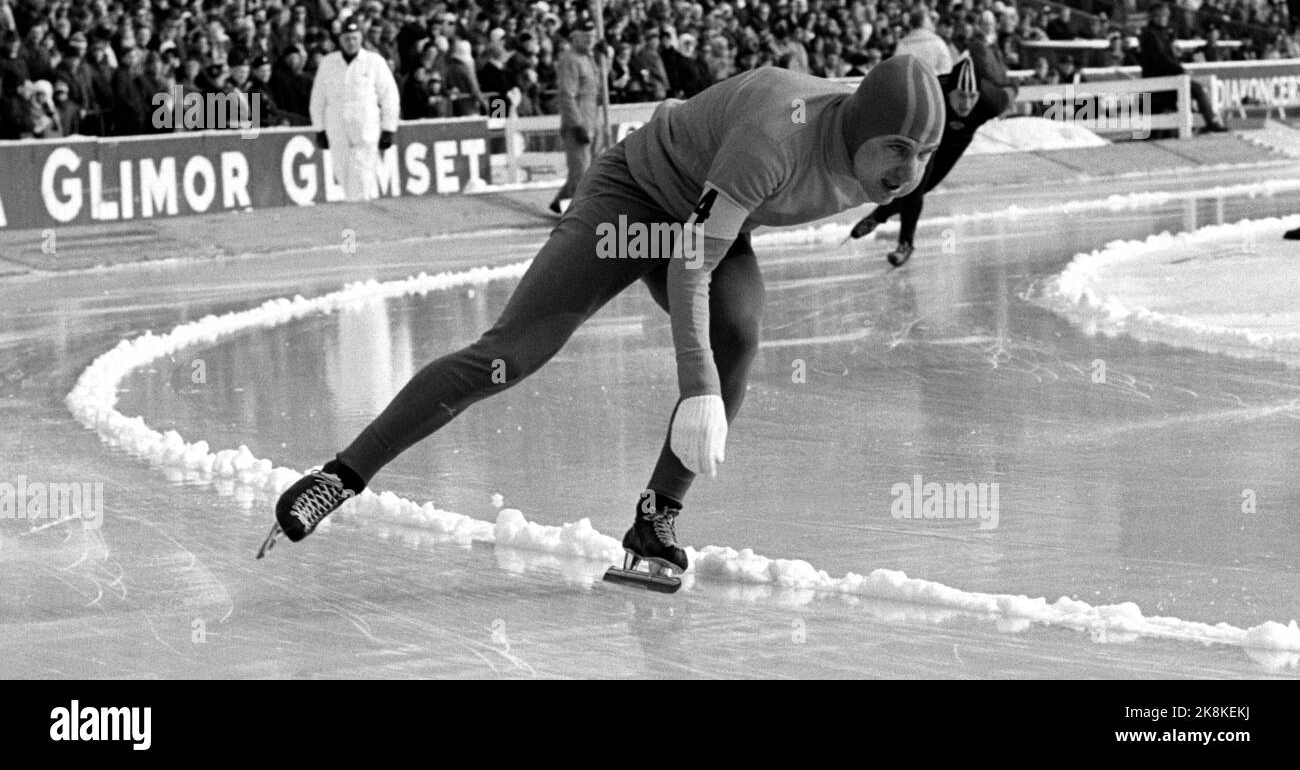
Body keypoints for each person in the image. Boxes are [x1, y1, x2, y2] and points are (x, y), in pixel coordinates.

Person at [258, 56, 947, 584]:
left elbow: (710, 242)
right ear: (860, 129)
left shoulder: (883, 157)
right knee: (513, 352)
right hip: (637, 196)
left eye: (923, 154)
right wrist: (699, 385)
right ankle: (340, 474)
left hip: (710, 212)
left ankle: (655, 521)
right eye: (897, 149)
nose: (908, 170)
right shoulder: (776, 138)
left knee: (740, 334)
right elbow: (688, 265)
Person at [848, 57, 1009, 266]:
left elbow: (1011, 92)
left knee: (923, 188)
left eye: (971, 96)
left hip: (956, 144)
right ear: (949, 92)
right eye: (960, 95)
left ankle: (880, 215)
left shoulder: (992, 102)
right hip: (929, 140)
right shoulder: (935, 93)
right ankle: (905, 243)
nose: (966, 103)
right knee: (916, 184)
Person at [309, 18, 401, 202]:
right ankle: (359, 213)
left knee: (362, 176)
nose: (351, 43)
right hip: (337, 129)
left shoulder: (374, 61)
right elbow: (318, 98)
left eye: (354, 38)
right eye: (347, 39)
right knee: (343, 174)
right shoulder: (328, 63)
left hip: (365, 129)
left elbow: (389, 96)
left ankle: (363, 218)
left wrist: (389, 128)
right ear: (340, 40)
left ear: (360, 38)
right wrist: (319, 129)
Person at [1137, 3, 1226, 133]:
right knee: (1197, 89)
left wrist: (1185, 57)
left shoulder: (1161, 33)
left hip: (1166, 79)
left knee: (1193, 91)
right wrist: (1181, 70)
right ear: (1155, 16)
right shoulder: (1151, 34)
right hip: (1160, 82)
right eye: (1164, 15)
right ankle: (1211, 122)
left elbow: (1168, 57)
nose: (1166, 18)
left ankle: (1203, 123)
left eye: (1167, 15)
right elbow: (1161, 59)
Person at [549, 21, 603, 215]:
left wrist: (607, 57)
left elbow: (601, 83)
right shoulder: (570, 59)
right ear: (575, 37)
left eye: (593, 37)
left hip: (592, 112)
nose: (590, 41)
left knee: (593, 166)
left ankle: (562, 201)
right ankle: (579, 213)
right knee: (581, 169)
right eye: (586, 37)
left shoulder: (589, 57)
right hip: (579, 115)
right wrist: (576, 124)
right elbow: (566, 95)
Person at [893, 6, 954, 76]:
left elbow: (896, 72)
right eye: (930, 20)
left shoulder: (902, 44)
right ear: (925, 22)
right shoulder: (938, 43)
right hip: (933, 84)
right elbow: (947, 70)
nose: (933, 23)